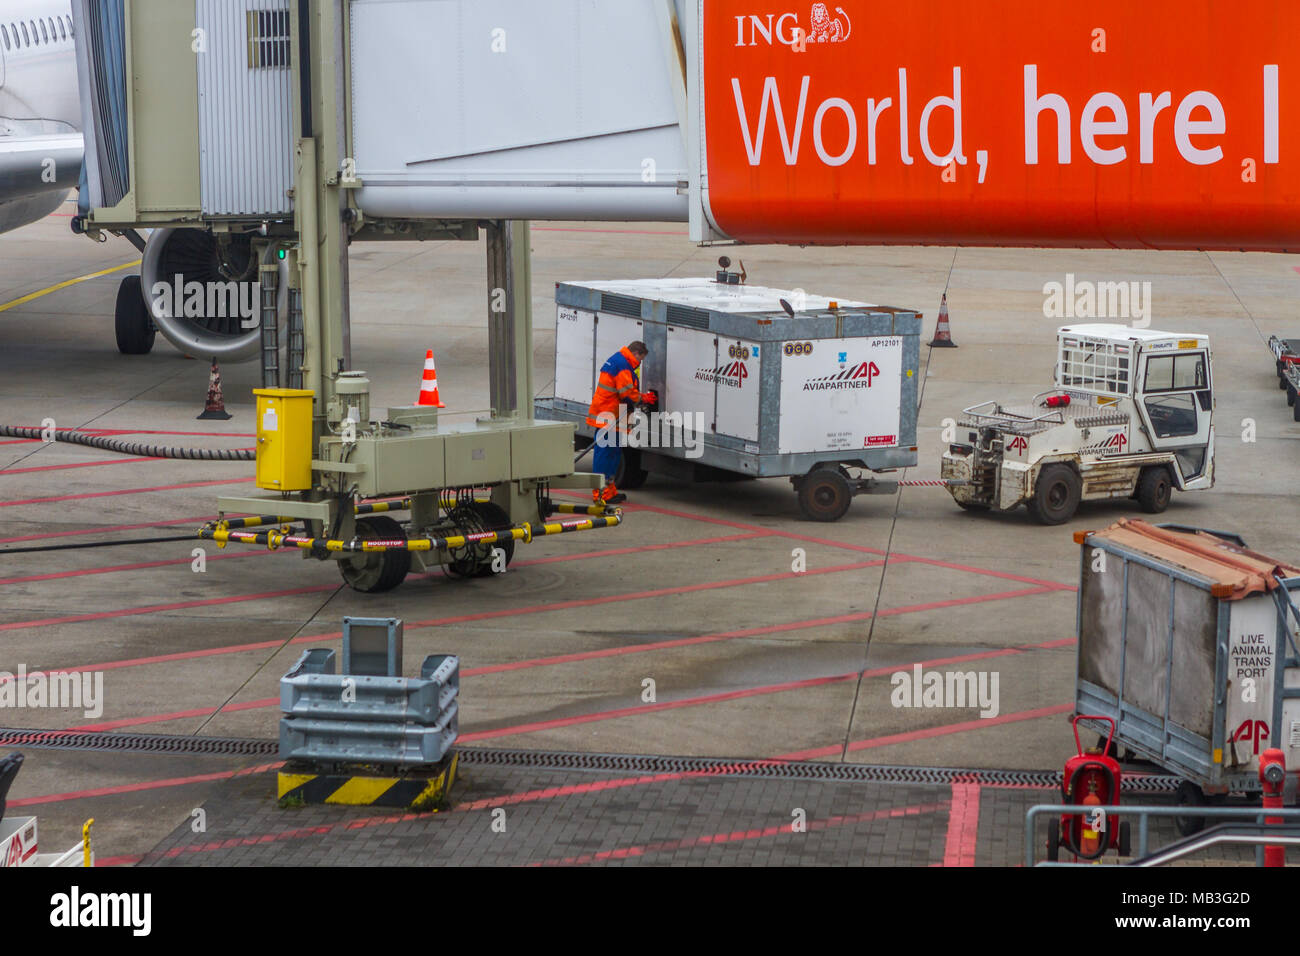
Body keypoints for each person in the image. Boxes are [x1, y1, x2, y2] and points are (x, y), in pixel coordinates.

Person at [585, 340, 657, 504]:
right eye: (640, 359)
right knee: (605, 456)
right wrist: (642, 398)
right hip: (608, 417)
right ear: (636, 353)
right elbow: (626, 393)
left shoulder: (620, 361)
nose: (639, 364)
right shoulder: (623, 365)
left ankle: (609, 491)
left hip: (612, 417)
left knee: (613, 454)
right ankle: (601, 493)